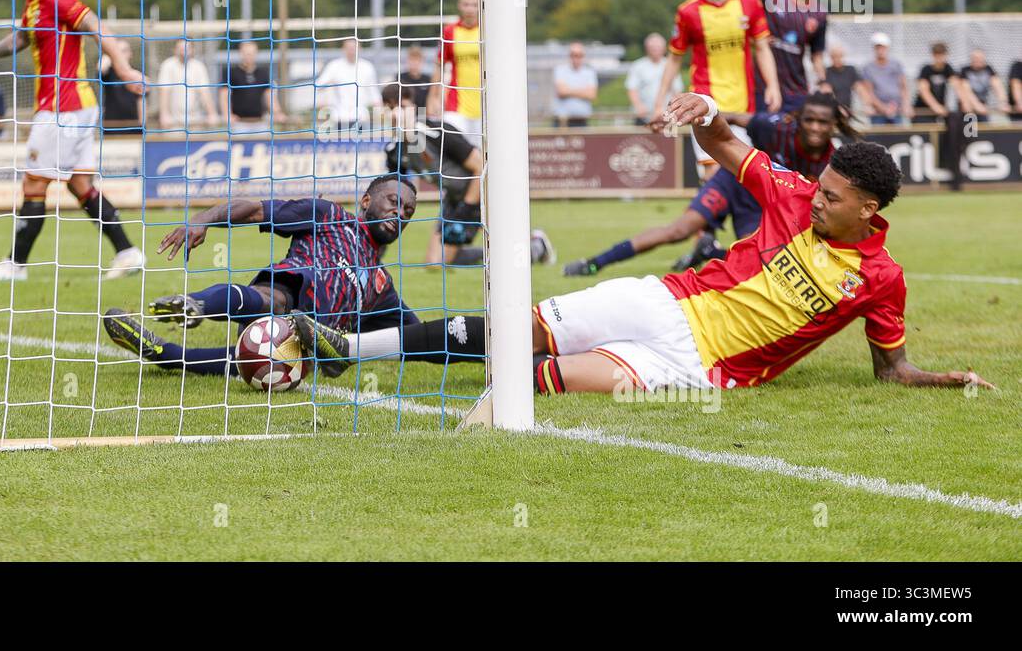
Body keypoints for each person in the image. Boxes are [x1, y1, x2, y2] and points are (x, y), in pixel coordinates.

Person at [294, 92, 995, 393]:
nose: (818, 198)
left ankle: (401, 361)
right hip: (663, 301)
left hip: (704, 375)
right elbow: (721, 141)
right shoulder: (790, 190)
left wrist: (942, 379)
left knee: (540, 383)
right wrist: (708, 111)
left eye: (834, 197)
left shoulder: (883, 279)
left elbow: (889, 370)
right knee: (517, 331)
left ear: (868, 210)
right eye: (820, 186)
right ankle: (347, 350)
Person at [0, 0, 146, 282]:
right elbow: (21, 38)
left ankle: (15, 264)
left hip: (64, 108)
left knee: (33, 183)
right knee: (79, 185)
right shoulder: (34, 3)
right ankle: (127, 252)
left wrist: (122, 68)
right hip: (78, 107)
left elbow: (97, 27)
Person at [100, 175, 419, 376]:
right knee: (280, 299)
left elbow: (423, 338)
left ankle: (163, 353)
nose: (399, 213)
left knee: (264, 361)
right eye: (394, 202)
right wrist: (203, 219)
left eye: (408, 212)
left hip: (296, 350)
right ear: (366, 200)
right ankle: (194, 304)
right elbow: (255, 210)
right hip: (276, 299)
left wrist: (464, 341)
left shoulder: (381, 285)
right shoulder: (328, 215)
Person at [562, 92, 849, 278]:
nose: (814, 127)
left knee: (762, 264)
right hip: (734, 180)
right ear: (798, 120)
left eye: (822, 122)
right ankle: (594, 263)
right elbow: (732, 118)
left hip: (761, 203)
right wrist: (682, 114)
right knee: (678, 230)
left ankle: (710, 251)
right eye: (808, 120)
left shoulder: (831, 162)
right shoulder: (776, 128)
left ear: (833, 124)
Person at [381, 83, 555, 268]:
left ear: (414, 108)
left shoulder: (435, 132)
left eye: (402, 107)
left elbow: (480, 166)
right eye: (391, 108)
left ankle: (537, 246)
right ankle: (480, 253)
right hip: (454, 198)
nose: (396, 114)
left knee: (508, 257)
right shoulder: (394, 150)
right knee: (434, 263)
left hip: (484, 191)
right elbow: (395, 189)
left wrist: (466, 209)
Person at [651, 0, 780, 182]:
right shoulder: (688, 12)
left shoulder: (750, 2)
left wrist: (773, 86)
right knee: (713, 176)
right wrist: (659, 103)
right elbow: (674, 60)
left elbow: (762, 48)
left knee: (746, 176)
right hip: (704, 103)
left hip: (743, 106)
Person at [759, 0, 829, 112]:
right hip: (762, 86)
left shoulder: (820, 13)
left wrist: (824, 82)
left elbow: (816, 55)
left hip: (796, 88)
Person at [430, 0, 482, 145]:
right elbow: (439, 65)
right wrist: (433, 97)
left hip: (485, 106)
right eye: (466, 4)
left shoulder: (488, 30)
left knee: (484, 156)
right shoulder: (450, 32)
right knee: (455, 150)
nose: (470, 9)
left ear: (480, 5)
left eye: (474, 4)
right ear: (460, 5)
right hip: (456, 105)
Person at [913, 42, 965, 190]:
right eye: (936, 54)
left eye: (941, 54)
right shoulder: (926, 70)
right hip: (924, 111)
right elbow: (923, 90)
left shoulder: (949, 69)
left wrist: (965, 103)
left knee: (958, 122)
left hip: (941, 112)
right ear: (933, 55)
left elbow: (957, 86)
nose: (939, 58)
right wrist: (937, 107)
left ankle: (954, 170)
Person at [314, 37, 379, 133]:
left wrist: (380, 114)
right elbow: (318, 86)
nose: (351, 51)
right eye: (349, 48)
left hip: (361, 118)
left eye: (354, 48)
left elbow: (374, 93)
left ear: (360, 49)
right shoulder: (334, 66)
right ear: (343, 49)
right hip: (339, 118)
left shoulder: (367, 67)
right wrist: (329, 88)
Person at [219, 39, 286, 133]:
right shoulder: (231, 72)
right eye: (246, 53)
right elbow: (224, 95)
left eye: (252, 53)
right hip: (239, 124)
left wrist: (277, 113)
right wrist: (227, 114)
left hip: (260, 123)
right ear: (241, 53)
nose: (249, 56)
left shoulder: (263, 73)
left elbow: (269, 96)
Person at [157, 39, 218, 130]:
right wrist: (164, 114)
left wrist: (212, 113)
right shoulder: (168, 65)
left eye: (187, 48)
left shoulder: (198, 66)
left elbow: (204, 92)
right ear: (175, 49)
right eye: (180, 48)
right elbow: (164, 91)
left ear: (193, 49)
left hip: (195, 119)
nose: (183, 51)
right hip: (173, 121)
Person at [625, 32, 681, 126]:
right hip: (644, 117)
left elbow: (677, 90)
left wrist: (675, 109)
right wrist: (638, 106)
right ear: (647, 48)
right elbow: (632, 89)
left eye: (658, 47)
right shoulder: (638, 66)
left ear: (664, 49)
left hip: (666, 117)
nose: (655, 50)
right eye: (653, 48)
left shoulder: (670, 65)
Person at [859, 32, 909, 125]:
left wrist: (905, 105)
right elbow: (869, 92)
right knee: (879, 138)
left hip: (897, 110)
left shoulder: (896, 64)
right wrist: (883, 108)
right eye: (878, 47)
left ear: (887, 48)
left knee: (899, 138)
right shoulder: (868, 68)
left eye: (883, 47)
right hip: (878, 113)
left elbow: (903, 87)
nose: (880, 50)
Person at [99, 41, 145, 135]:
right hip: (111, 125)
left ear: (130, 53)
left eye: (124, 51)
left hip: (134, 126)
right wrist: (111, 54)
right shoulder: (108, 72)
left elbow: (142, 99)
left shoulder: (137, 73)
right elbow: (100, 69)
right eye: (118, 52)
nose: (121, 54)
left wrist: (143, 122)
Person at [551, 42, 598, 127]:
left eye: (579, 55)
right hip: (562, 121)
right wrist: (583, 91)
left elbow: (592, 95)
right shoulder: (560, 70)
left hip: (582, 120)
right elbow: (561, 92)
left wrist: (569, 90)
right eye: (573, 55)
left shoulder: (589, 72)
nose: (576, 58)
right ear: (569, 56)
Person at [958, 48, 1006, 120]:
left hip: (983, 106)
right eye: (975, 58)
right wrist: (977, 105)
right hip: (968, 106)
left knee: (984, 127)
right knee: (969, 128)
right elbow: (966, 90)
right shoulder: (965, 70)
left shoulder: (988, 69)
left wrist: (1003, 102)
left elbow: (998, 86)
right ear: (971, 59)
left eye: (980, 58)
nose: (978, 60)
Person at [823, 45, 864, 115]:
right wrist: (839, 108)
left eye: (839, 56)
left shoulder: (850, 70)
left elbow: (859, 88)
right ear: (831, 57)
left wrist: (867, 105)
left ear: (843, 56)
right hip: (832, 110)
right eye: (834, 57)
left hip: (848, 109)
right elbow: (827, 91)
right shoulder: (827, 72)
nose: (836, 59)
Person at [394, 45, 433, 111]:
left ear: (422, 61)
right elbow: (395, 97)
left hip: (422, 112)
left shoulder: (427, 79)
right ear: (407, 60)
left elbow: (431, 99)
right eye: (412, 59)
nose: (415, 63)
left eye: (417, 60)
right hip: (405, 112)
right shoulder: (400, 78)